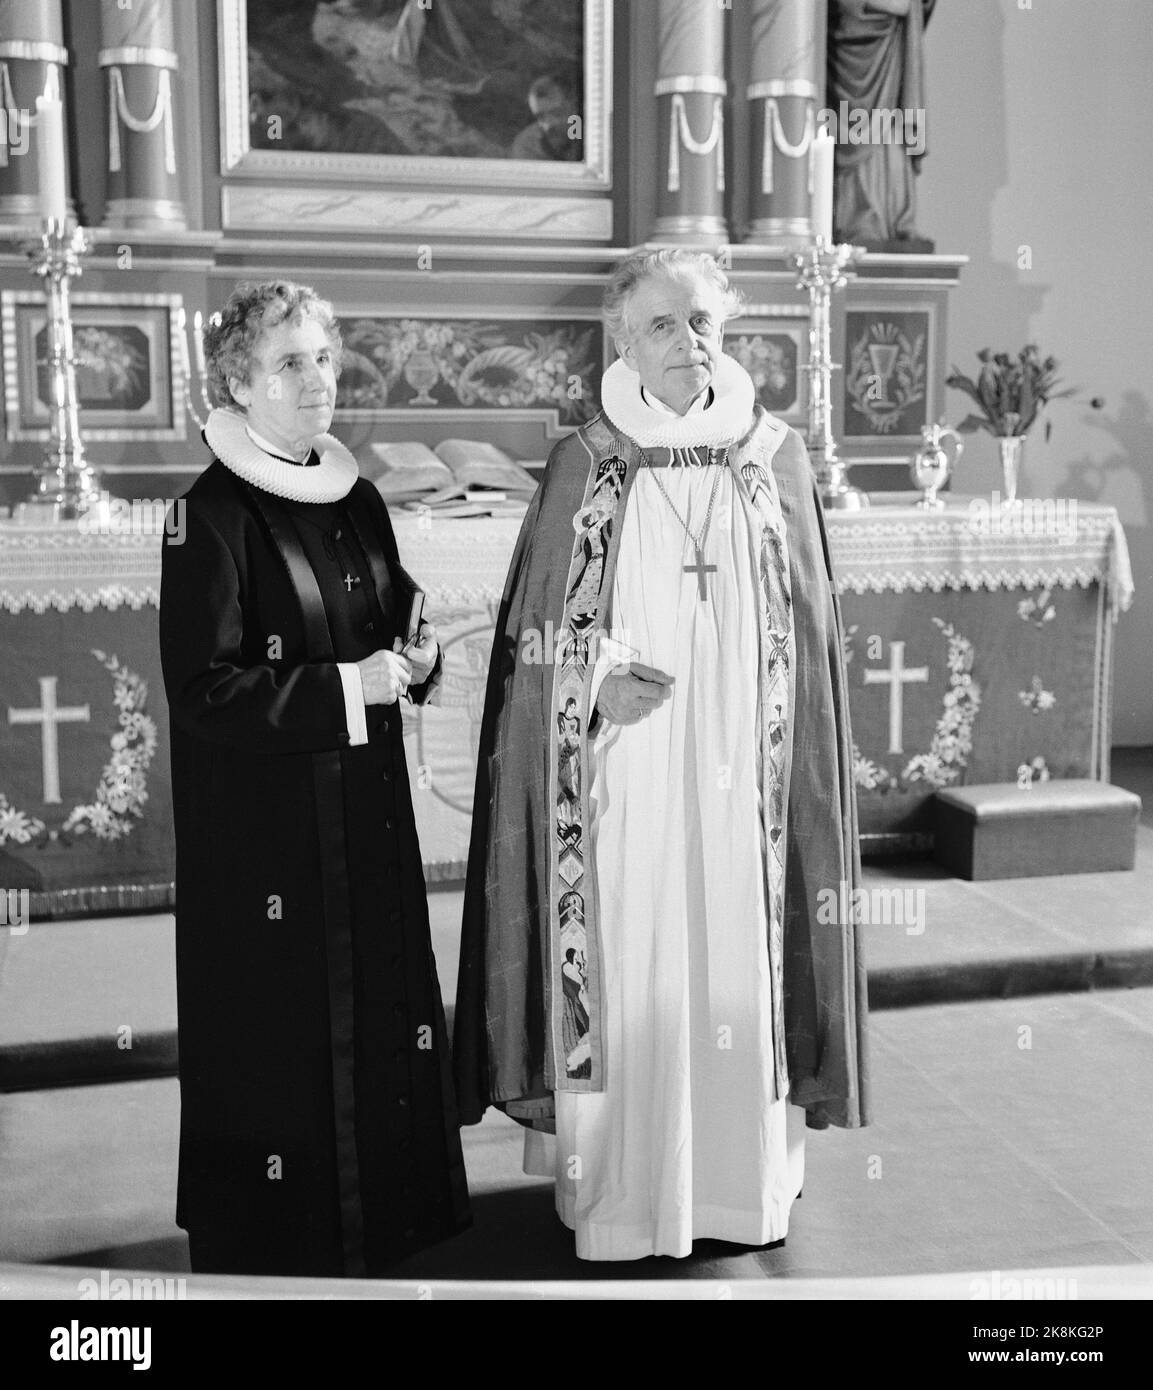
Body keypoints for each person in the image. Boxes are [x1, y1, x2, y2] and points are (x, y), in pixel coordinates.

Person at [454, 249, 868, 1261]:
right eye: (663, 326)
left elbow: (811, 647)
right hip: (624, 774)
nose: (689, 343)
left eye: (702, 322)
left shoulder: (775, 457)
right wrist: (592, 683)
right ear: (623, 341)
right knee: (630, 953)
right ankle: (627, 1197)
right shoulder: (585, 461)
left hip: (747, 783)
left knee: (737, 949)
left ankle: (740, 1186)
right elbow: (533, 640)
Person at [160, 279, 470, 1276]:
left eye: (326, 358)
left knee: (386, 1007)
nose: (316, 380)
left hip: (368, 816)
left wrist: (415, 662)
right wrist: (346, 687)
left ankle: (394, 1211)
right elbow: (204, 690)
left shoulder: (357, 496)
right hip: (269, 842)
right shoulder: (204, 516)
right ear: (238, 382)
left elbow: (392, 622)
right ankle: (282, 1233)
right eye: (289, 361)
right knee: (282, 1031)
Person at [827, 0, 935, 247]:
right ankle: (859, 219)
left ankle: (897, 217)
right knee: (858, 129)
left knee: (893, 130)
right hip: (852, 39)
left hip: (892, 45)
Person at [510, 73, 583, 162]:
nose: (548, 126)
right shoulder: (526, 145)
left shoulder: (595, 139)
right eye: (540, 117)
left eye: (557, 113)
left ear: (574, 107)